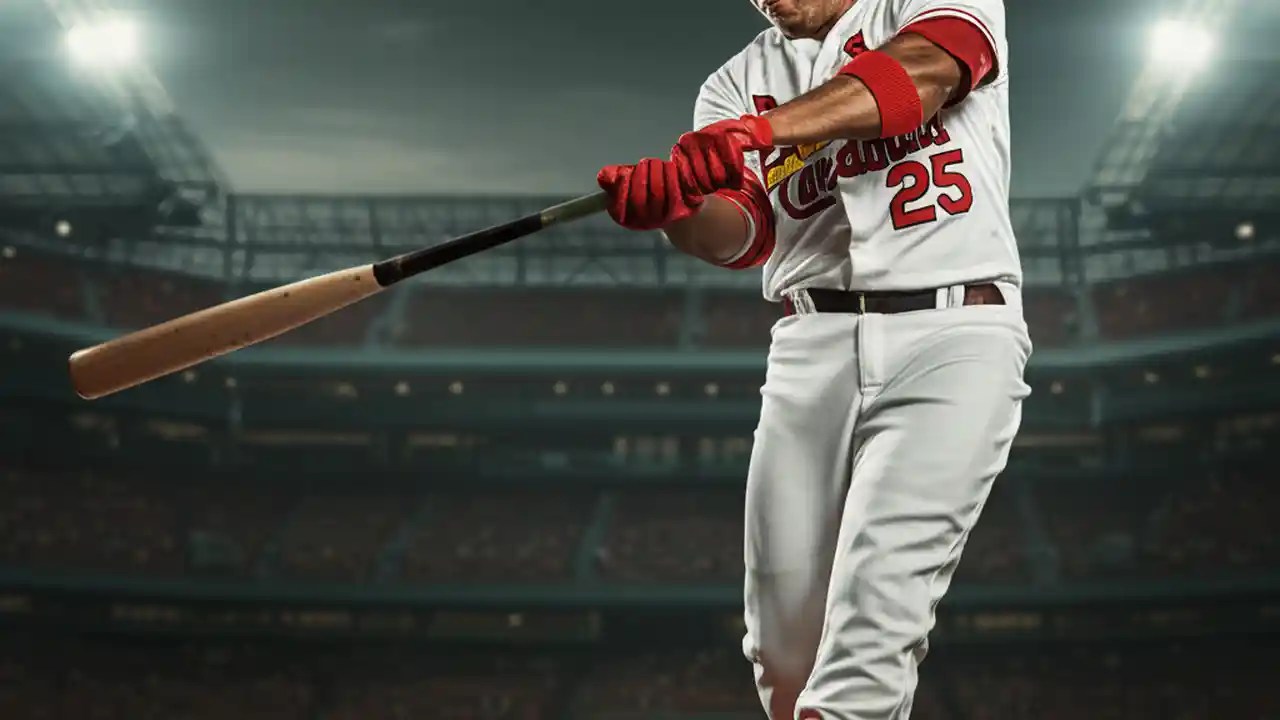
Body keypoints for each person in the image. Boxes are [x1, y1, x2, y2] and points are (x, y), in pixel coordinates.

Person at [595, 1, 1031, 718]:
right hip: (809, 344)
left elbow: (916, 77)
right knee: (782, 654)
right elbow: (741, 237)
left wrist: (760, 133)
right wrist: (677, 211)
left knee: (872, 623)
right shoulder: (734, 82)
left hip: (954, 334)